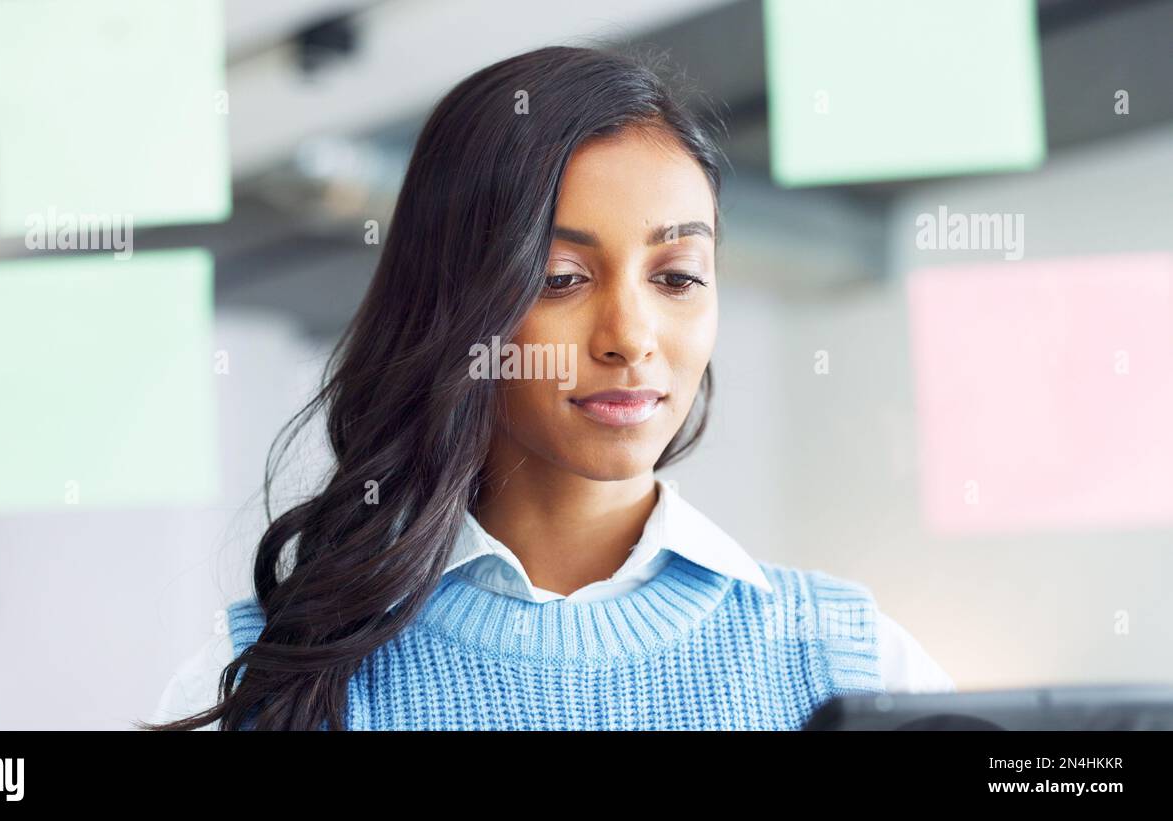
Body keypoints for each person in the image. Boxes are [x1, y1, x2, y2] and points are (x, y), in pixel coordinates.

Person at [143, 44, 954, 731]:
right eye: (562, 278)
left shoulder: (852, 661)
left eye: (676, 277)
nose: (631, 337)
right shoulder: (269, 682)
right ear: (457, 304)